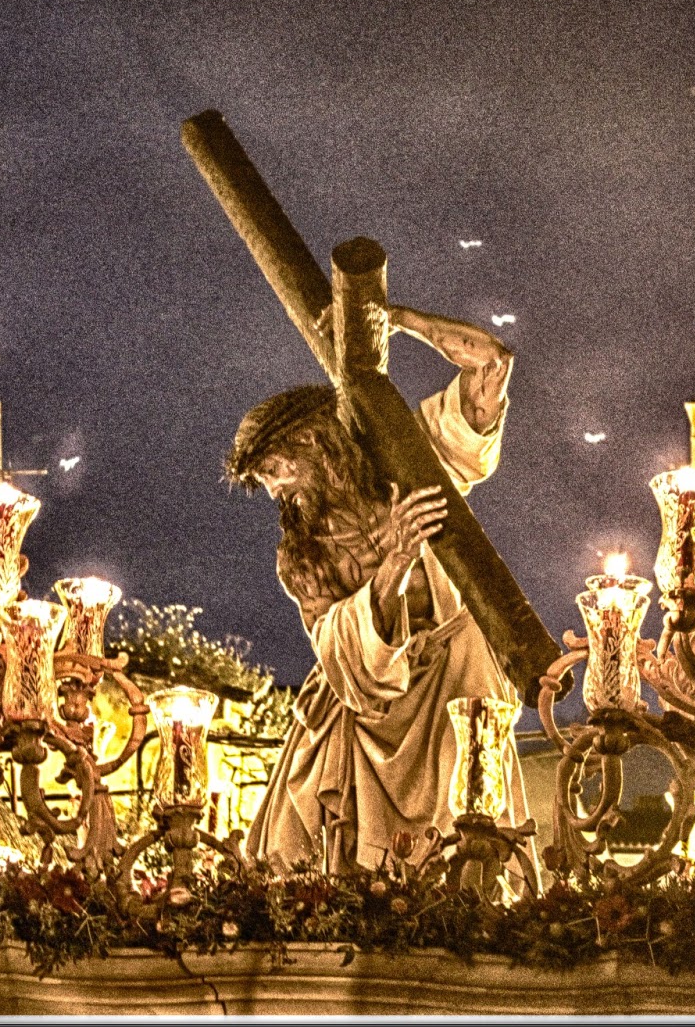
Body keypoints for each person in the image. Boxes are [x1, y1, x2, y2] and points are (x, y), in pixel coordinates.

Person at [226, 304, 529, 875]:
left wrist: (396, 319)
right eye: (265, 484)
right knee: (314, 876)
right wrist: (395, 563)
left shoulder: (408, 463)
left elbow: (490, 364)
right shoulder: (301, 559)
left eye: (278, 470)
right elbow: (338, 646)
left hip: (456, 696)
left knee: (474, 861)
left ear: (316, 442)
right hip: (360, 724)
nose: (276, 494)